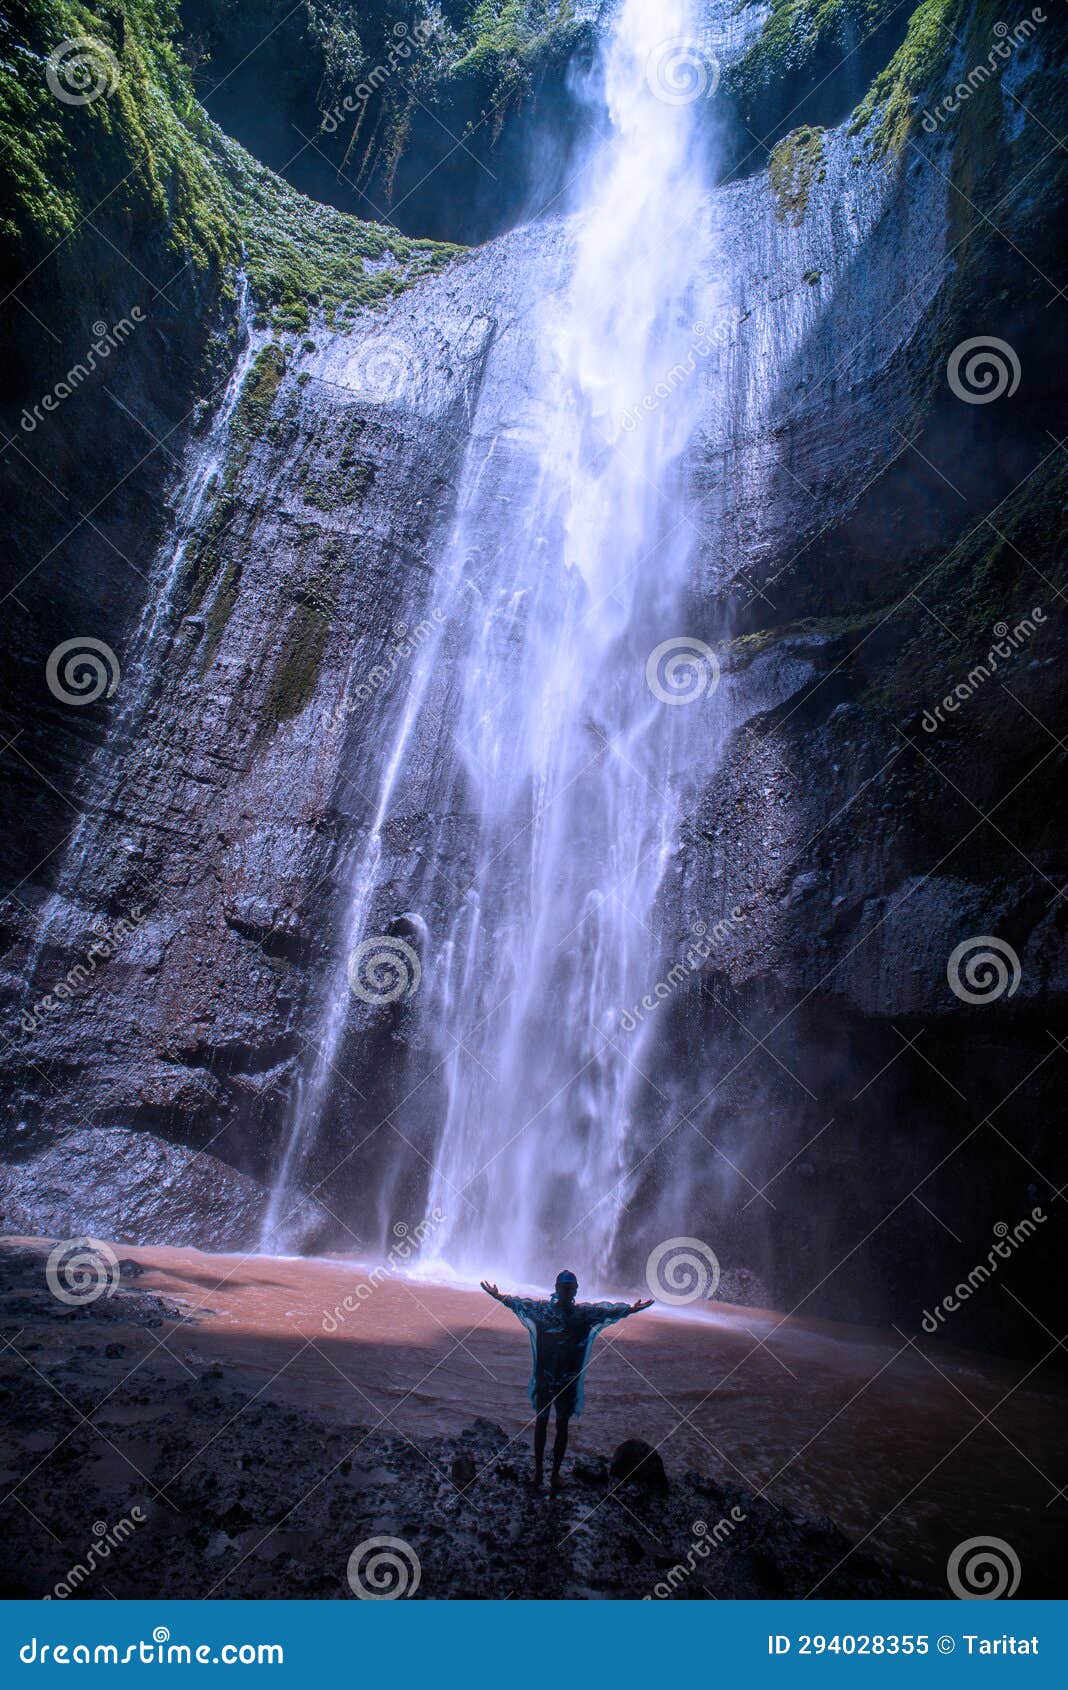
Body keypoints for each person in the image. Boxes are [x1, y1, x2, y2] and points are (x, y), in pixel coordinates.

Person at [481, 1269, 653, 1494]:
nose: (566, 1291)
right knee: (545, 1423)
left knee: (557, 1425)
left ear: (574, 1290)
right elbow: (517, 1304)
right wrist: (498, 1296)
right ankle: (541, 1473)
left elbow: (606, 1312)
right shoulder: (547, 1311)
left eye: (570, 1288)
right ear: (557, 1289)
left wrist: (631, 1309)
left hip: (564, 1382)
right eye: (564, 1287)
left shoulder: (579, 1314)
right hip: (550, 1379)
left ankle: (550, 1475)